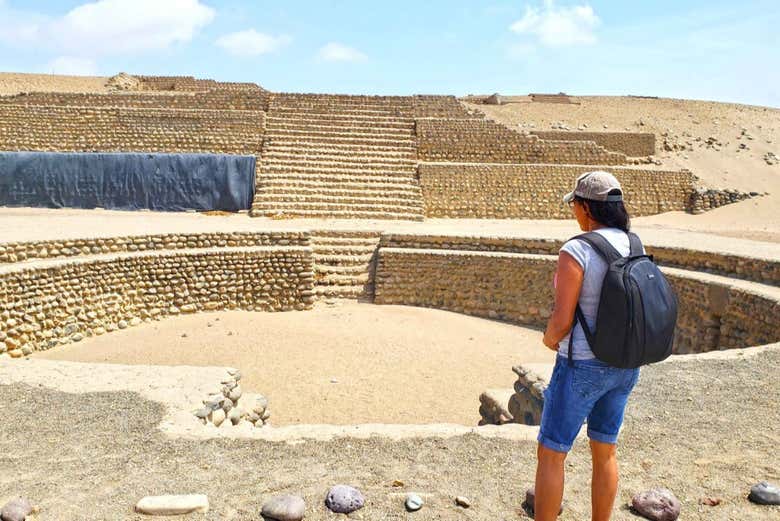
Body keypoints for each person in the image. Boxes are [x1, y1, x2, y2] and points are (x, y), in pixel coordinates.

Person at [533, 171, 642, 521]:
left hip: (581, 365)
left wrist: (550, 340)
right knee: (605, 451)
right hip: (624, 365)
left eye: (575, 206)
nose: (573, 214)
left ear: (585, 207)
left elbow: (562, 319)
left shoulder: (576, 250)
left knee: (552, 453)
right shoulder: (634, 243)